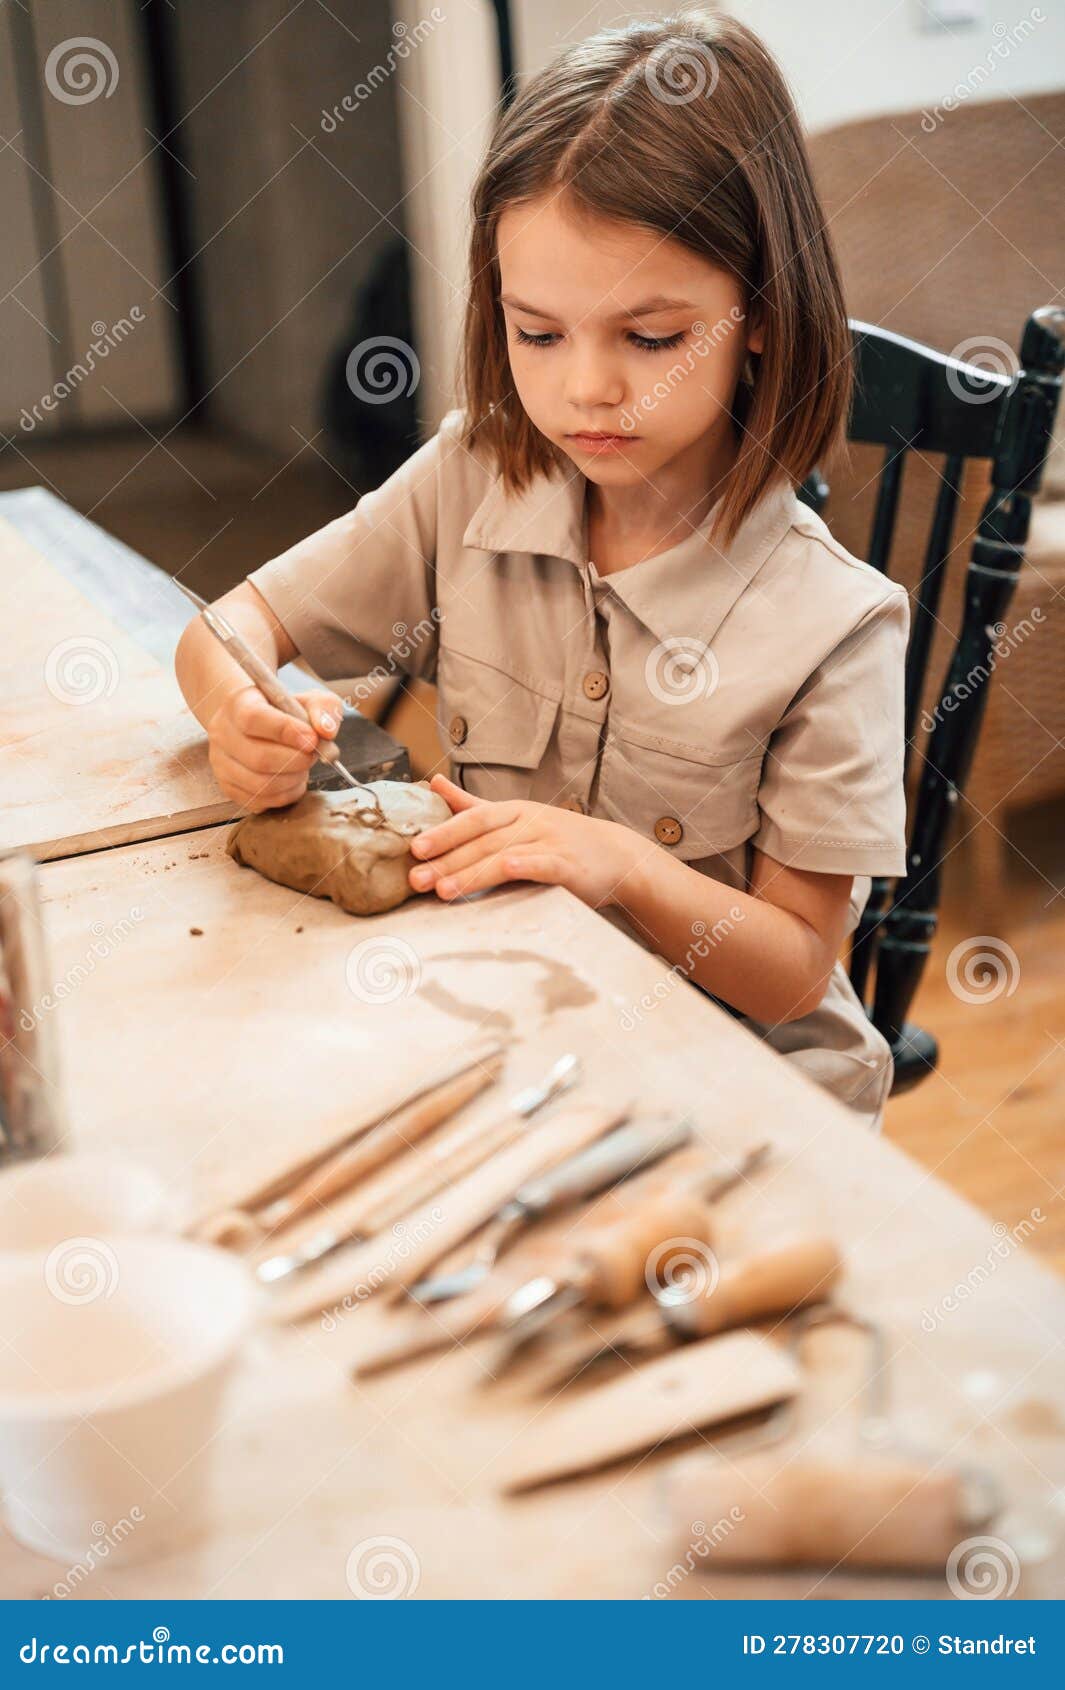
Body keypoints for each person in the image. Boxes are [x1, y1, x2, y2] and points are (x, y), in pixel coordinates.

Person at [175, 11, 909, 1130]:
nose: (587, 392)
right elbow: (226, 625)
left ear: (760, 314)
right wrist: (241, 711)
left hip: (740, 1091)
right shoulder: (472, 477)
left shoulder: (834, 623)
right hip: (521, 1028)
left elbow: (798, 970)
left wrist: (616, 864)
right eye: (539, 332)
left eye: (651, 339)